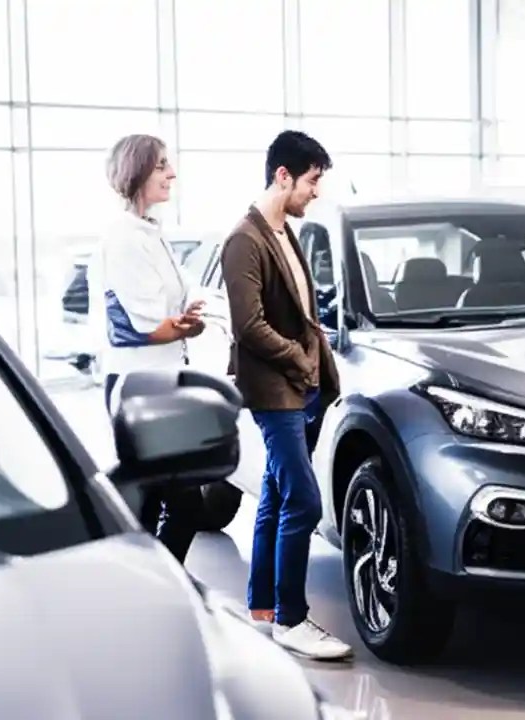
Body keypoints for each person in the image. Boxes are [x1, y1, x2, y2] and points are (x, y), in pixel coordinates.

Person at [220, 130, 352, 661]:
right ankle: (293, 619)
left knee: (277, 492)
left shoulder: (282, 232)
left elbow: (301, 314)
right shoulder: (245, 241)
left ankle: (263, 604)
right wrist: (300, 362)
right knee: (303, 498)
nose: (315, 192)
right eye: (313, 180)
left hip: (303, 388)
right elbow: (248, 326)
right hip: (275, 390)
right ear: (283, 176)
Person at [92, 133, 207, 563]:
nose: (171, 173)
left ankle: (155, 584)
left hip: (160, 381)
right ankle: (161, 585)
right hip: (140, 387)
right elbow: (151, 328)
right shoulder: (124, 237)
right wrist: (185, 328)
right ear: (137, 171)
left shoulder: (148, 231)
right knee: (182, 505)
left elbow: (164, 316)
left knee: (158, 503)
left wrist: (183, 319)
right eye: (161, 165)